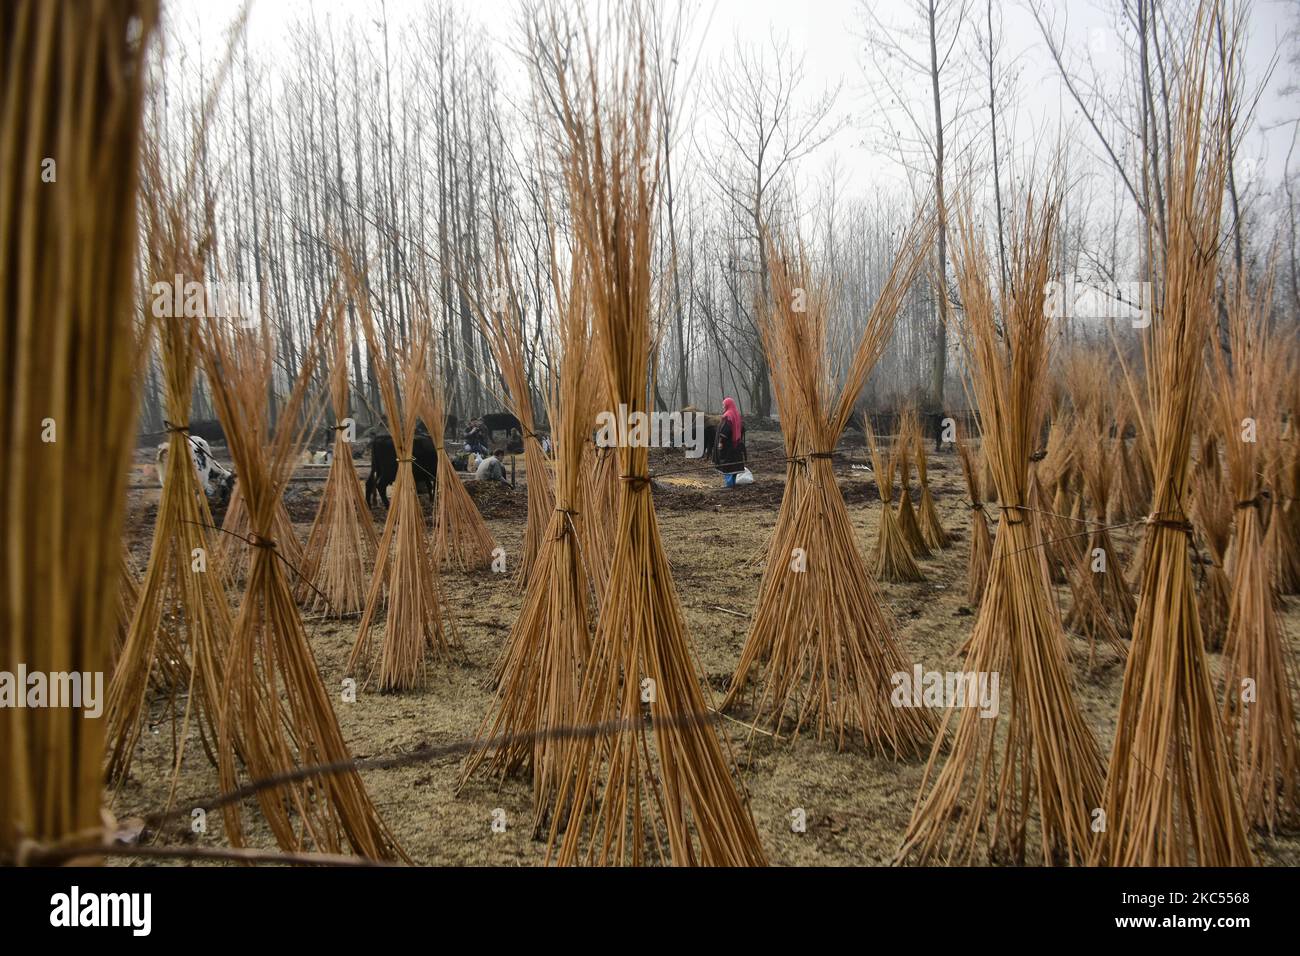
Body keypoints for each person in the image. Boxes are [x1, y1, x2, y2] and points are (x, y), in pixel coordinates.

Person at [715, 396, 746, 487]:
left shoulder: (728, 416)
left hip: (728, 445)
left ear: (728, 405)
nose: (723, 407)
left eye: (724, 405)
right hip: (736, 444)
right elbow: (742, 428)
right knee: (734, 465)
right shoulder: (736, 415)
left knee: (727, 464)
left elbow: (725, 430)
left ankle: (729, 484)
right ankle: (732, 483)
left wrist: (720, 442)